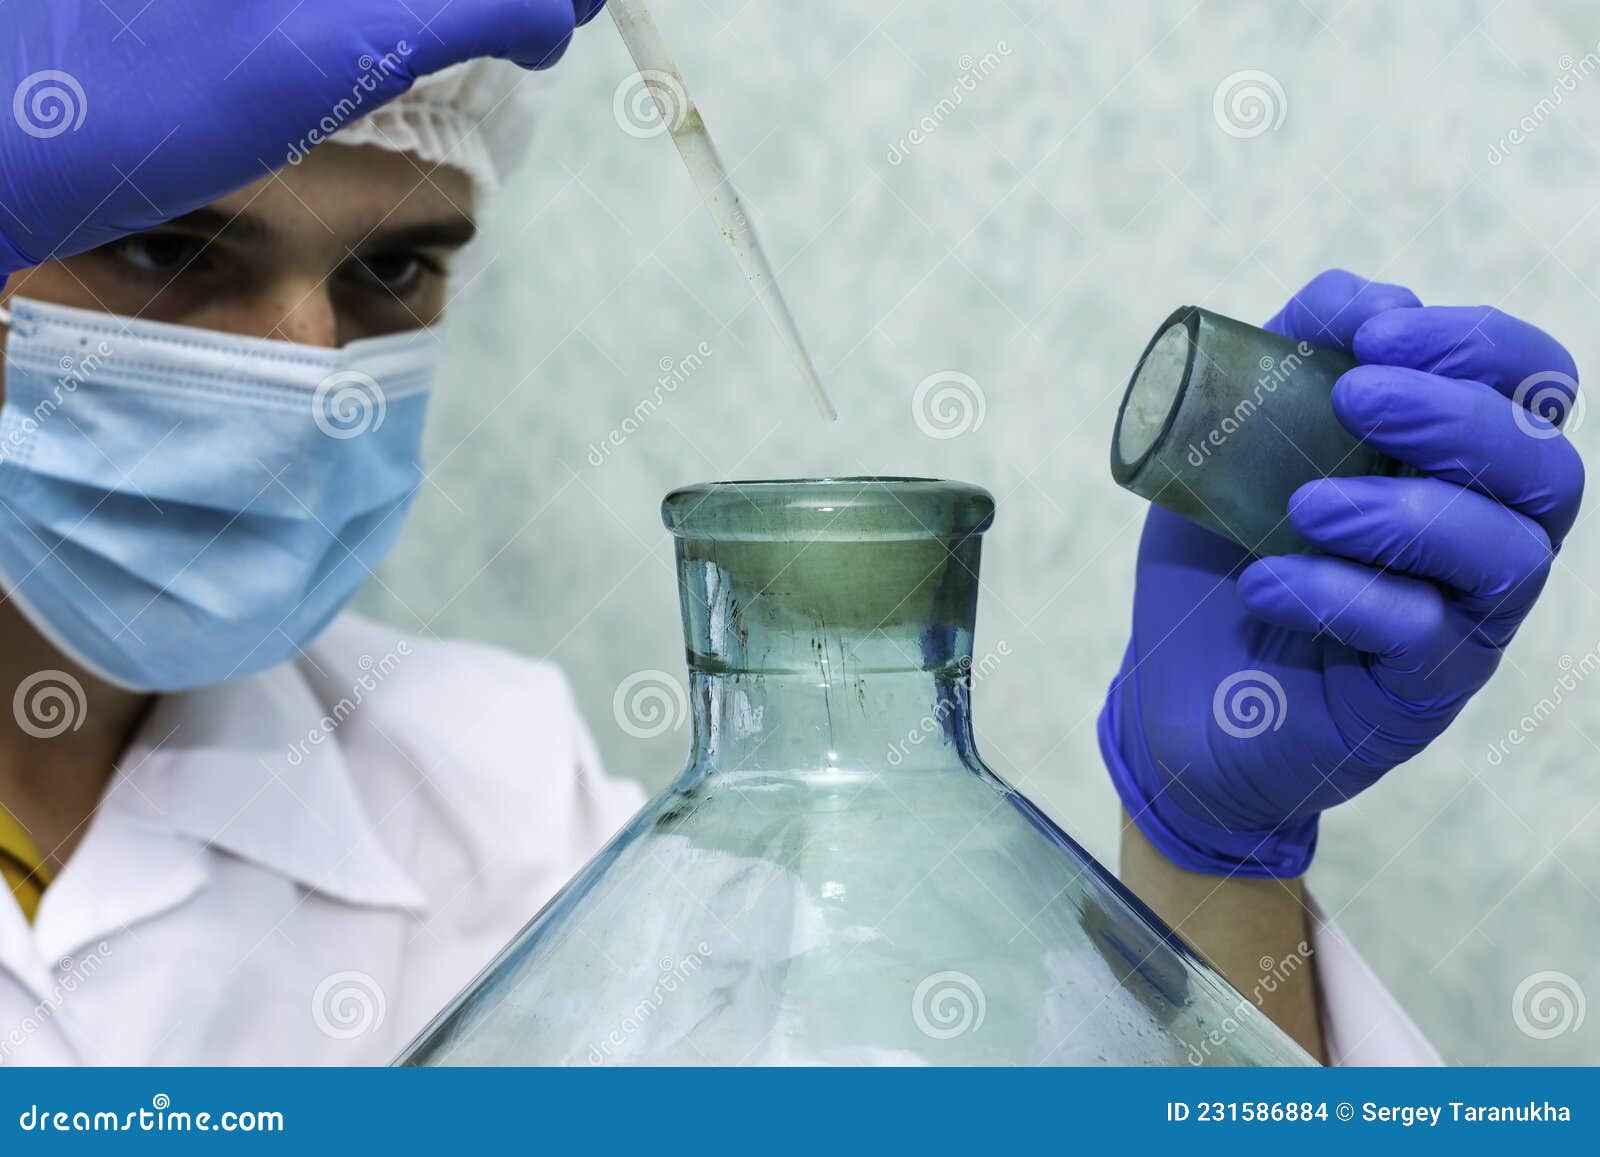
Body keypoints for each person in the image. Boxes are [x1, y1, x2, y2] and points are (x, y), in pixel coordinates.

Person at [0, 3, 1580, 1065]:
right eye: (164, 246)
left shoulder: (496, 799)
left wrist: (1201, 868)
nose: (313, 374)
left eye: (393, 273)